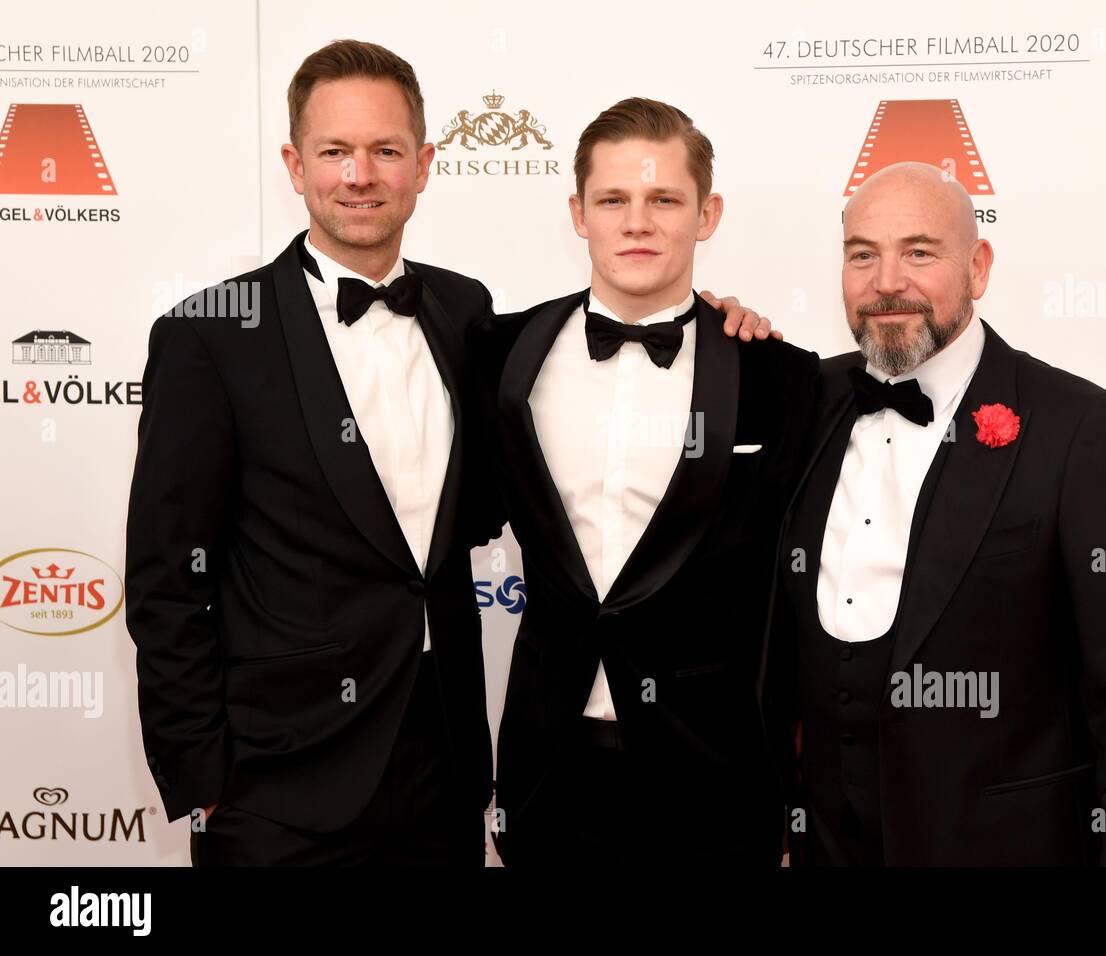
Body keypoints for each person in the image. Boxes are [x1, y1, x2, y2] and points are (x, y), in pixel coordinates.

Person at [126, 41, 770, 867]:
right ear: (294, 165)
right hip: (276, 786)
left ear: (424, 165)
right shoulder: (210, 334)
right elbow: (164, 579)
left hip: (447, 768)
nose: (360, 175)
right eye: (334, 151)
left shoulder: (470, 317)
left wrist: (716, 332)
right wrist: (203, 775)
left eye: (386, 150)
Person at [765, 161, 1106, 866]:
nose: (886, 282)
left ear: (979, 265)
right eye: (862, 254)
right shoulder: (804, 404)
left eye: (920, 252)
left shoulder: (1082, 430)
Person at [474, 98, 818, 865]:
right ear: (578, 213)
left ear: (707, 213)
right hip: (547, 765)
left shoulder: (781, 379)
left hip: (717, 777)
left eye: (664, 199)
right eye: (614, 200)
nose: (637, 222)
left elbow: (800, 595)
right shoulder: (501, 355)